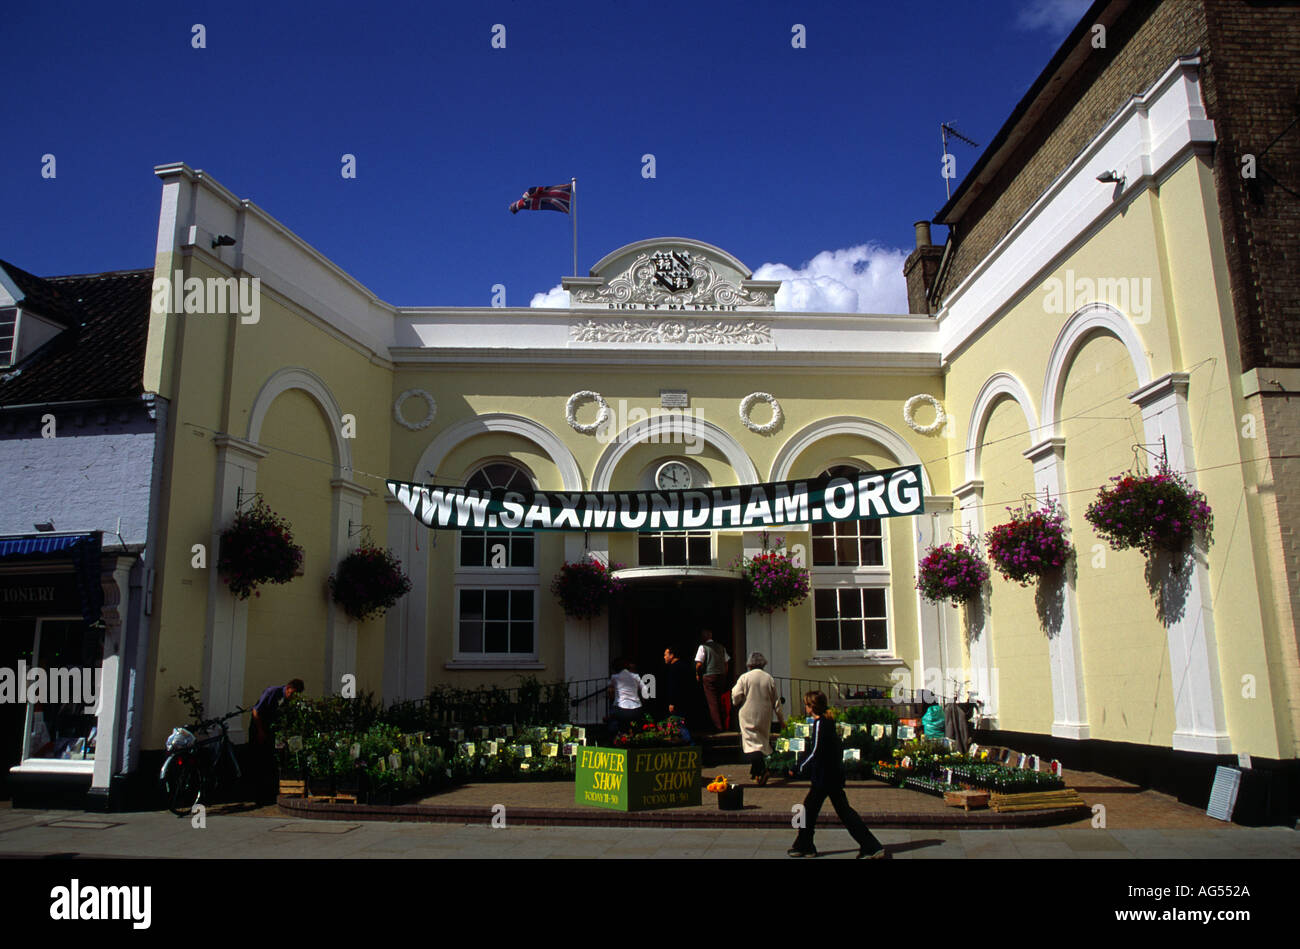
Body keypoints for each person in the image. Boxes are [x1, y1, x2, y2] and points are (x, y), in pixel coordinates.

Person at [787, 690, 887, 859]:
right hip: (829, 775)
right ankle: (805, 845)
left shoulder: (821, 724)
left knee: (818, 811)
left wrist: (798, 768)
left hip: (825, 777)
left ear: (812, 707)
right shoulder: (826, 721)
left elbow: (815, 751)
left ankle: (870, 846)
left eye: (806, 704)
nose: (805, 707)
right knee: (819, 810)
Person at [248, 678, 303, 805]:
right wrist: (260, 731)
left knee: (269, 760)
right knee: (258, 760)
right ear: (288, 688)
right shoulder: (272, 692)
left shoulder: (287, 700)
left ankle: (268, 794)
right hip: (259, 727)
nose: (293, 697)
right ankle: (257, 795)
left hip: (270, 729)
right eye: (293, 693)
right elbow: (256, 711)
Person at [731, 652, 784, 785]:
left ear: (749, 665)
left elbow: (736, 697)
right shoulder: (768, 678)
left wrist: (735, 697)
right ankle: (756, 772)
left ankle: (763, 770)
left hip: (747, 713)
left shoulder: (744, 677)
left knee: (751, 745)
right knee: (761, 741)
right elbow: (776, 702)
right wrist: (781, 719)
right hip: (764, 714)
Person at [694, 629, 730, 732]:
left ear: (703, 637)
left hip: (709, 675)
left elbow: (699, 664)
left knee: (712, 702)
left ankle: (718, 727)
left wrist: (697, 674)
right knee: (720, 700)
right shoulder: (721, 647)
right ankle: (724, 724)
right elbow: (726, 663)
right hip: (721, 675)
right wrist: (724, 674)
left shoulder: (703, 647)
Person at [607, 658, 644, 739]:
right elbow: (644, 690)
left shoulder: (614, 677)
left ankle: (616, 738)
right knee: (637, 724)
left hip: (620, 709)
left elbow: (610, 691)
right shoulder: (636, 676)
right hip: (636, 709)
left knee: (614, 720)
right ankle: (636, 737)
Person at [662, 645, 696, 725]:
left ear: (672, 655)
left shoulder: (674, 668)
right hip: (687, 700)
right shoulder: (684, 666)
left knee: (679, 725)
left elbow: (674, 686)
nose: (664, 657)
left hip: (678, 703)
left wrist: (672, 703)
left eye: (665, 655)